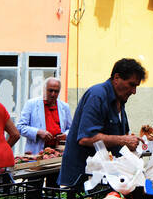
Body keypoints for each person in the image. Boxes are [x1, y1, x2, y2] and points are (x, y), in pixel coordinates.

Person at [57, 59, 146, 188]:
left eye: (136, 86)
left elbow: (120, 137)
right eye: (131, 85)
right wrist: (123, 140)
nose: (134, 91)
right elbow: (86, 138)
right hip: (80, 181)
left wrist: (131, 144)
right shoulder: (97, 95)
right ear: (116, 78)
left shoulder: (120, 101)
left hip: (103, 181)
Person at [16, 77, 73, 155]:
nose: (53, 94)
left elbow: (71, 129)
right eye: (50, 90)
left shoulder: (64, 106)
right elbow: (20, 127)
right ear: (44, 89)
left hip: (58, 153)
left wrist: (65, 135)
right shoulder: (31, 104)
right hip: (36, 153)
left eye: (56, 91)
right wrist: (38, 132)